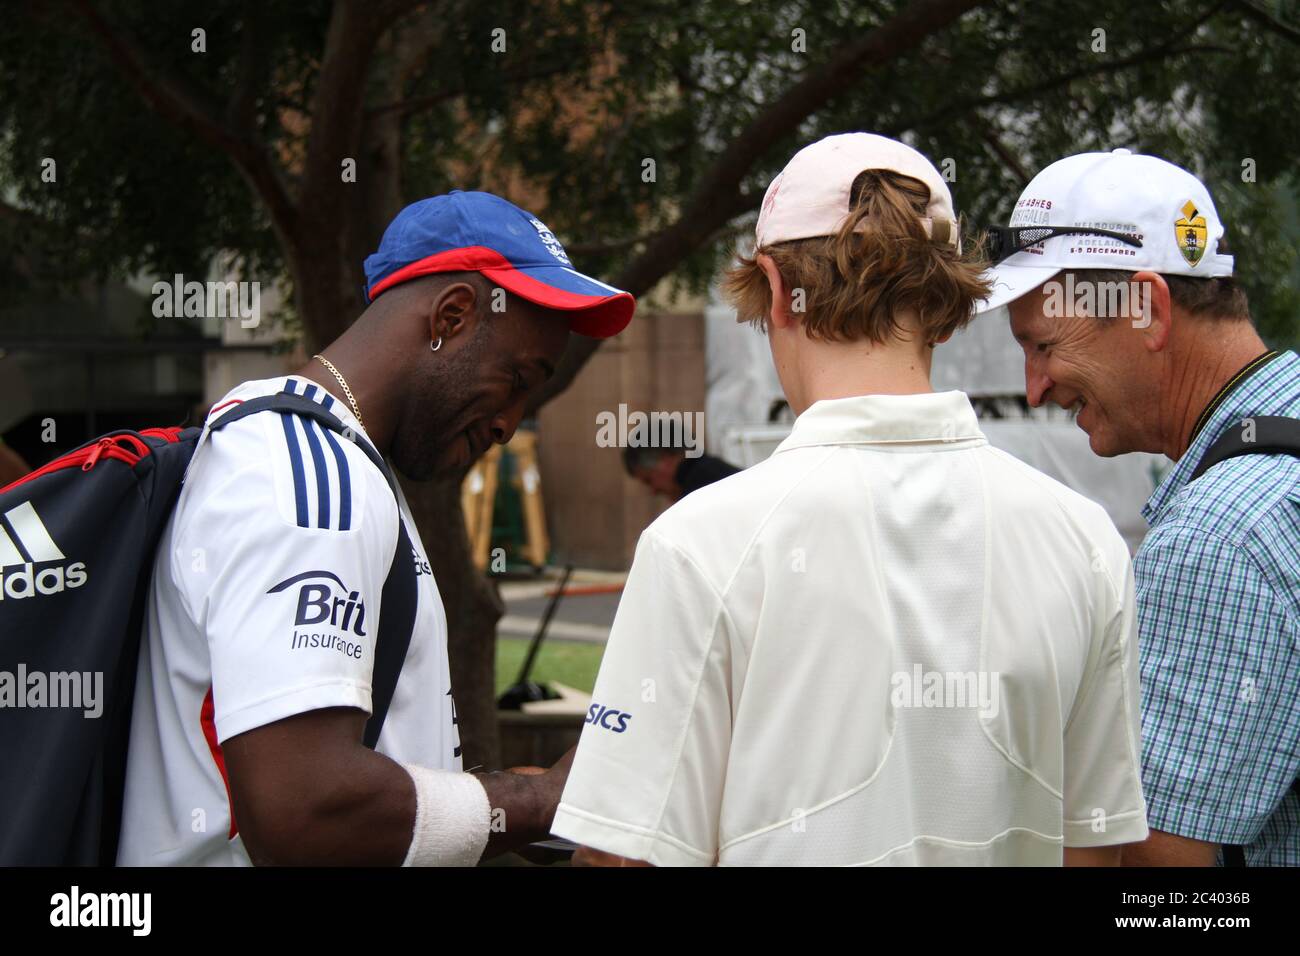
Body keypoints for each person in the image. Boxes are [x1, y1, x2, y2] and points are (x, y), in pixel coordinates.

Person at [550, 133, 1148, 866]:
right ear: (945, 296)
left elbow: (623, 857)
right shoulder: (1085, 541)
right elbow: (1093, 848)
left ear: (774, 289)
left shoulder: (699, 543)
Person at [116, 191, 634, 866]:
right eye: (517, 378)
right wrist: (544, 801)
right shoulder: (312, 485)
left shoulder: (317, 454)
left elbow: (359, 767)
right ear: (451, 316)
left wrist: (508, 809)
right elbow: (305, 810)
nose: (510, 423)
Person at [977, 148, 1300, 866]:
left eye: (1042, 344)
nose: (1035, 388)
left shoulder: (1220, 540)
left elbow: (1156, 871)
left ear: (1148, 310)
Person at [622, 445, 740, 501]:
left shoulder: (699, 492)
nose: (654, 491)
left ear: (666, 459)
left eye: (649, 480)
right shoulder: (712, 471)